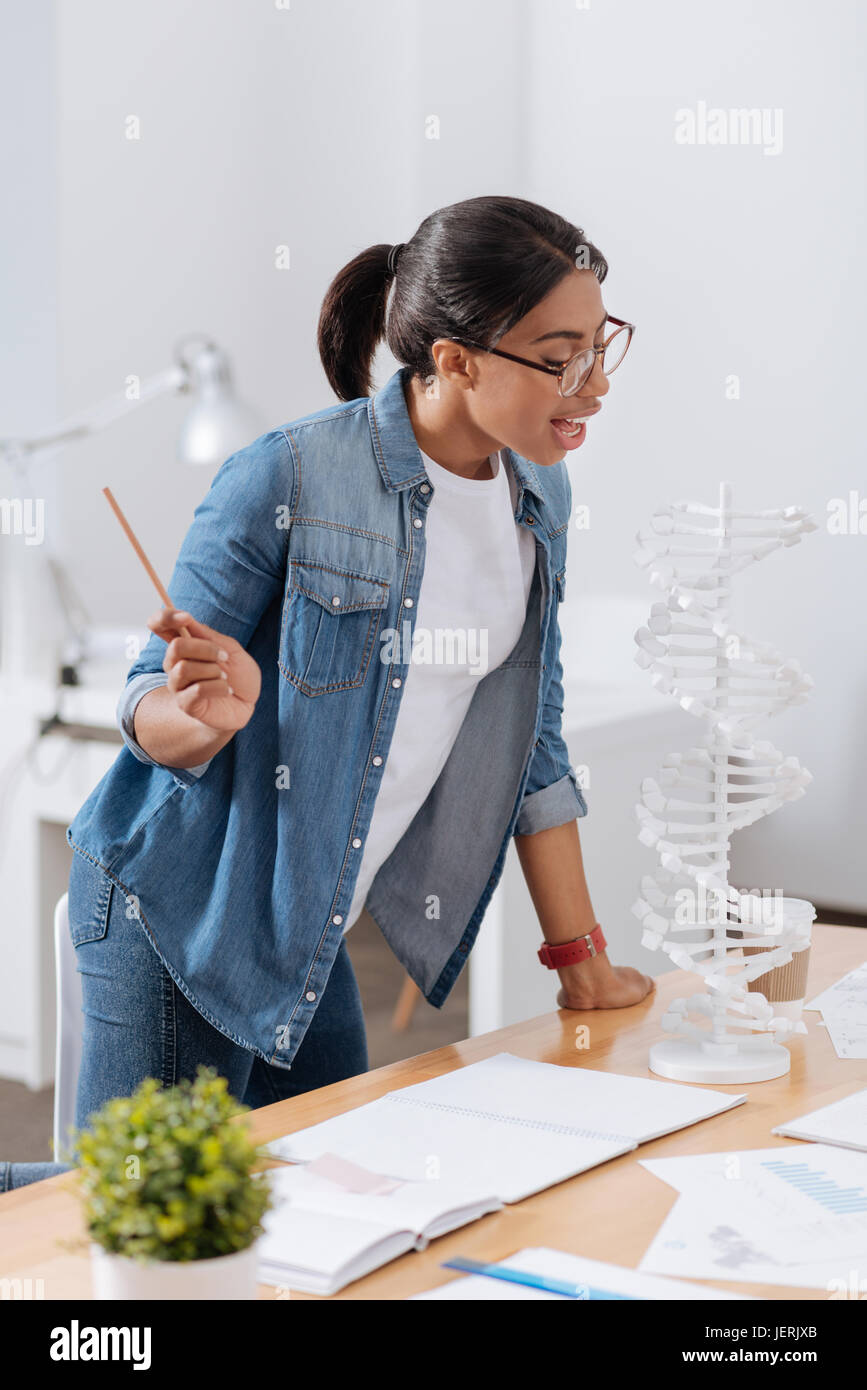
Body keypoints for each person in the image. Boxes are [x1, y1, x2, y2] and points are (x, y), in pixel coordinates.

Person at [1, 194, 653, 1193]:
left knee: (320, 1204)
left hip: (305, 924)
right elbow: (146, 708)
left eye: (601, 344)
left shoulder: (540, 496)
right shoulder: (287, 472)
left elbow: (537, 744)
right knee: (126, 1222)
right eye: (561, 353)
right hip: (175, 910)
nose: (595, 382)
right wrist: (206, 719)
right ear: (454, 358)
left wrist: (581, 960)